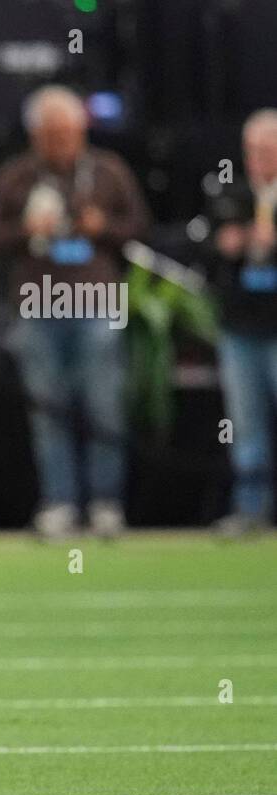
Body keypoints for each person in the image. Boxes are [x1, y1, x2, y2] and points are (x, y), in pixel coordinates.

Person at [0, 85, 150, 540]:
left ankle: (105, 503)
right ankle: (60, 502)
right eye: (51, 133)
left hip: (97, 304)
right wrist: (25, 230)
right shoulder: (16, 176)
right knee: (49, 410)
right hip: (37, 305)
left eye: (68, 132)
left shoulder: (108, 171)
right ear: (35, 134)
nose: (60, 141)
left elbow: (140, 226)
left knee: (103, 406)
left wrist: (105, 227)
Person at [207, 109, 277, 536]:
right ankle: (250, 509)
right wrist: (225, 245)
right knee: (246, 426)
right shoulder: (228, 192)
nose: (258, 158)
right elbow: (204, 248)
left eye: (267, 149)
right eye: (252, 150)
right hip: (240, 327)